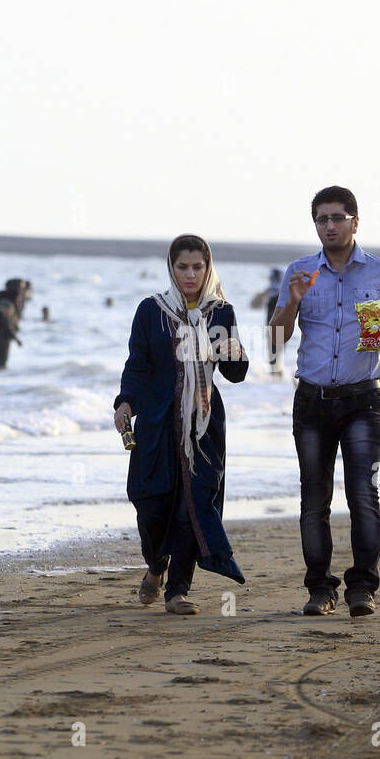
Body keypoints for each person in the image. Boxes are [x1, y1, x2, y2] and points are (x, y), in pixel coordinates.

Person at [269, 186, 380, 618]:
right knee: (314, 499)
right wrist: (291, 301)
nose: (329, 226)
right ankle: (319, 589)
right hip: (311, 400)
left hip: (363, 399)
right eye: (321, 219)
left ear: (355, 221)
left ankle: (363, 587)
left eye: (337, 217)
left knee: (363, 493)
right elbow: (274, 340)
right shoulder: (299, 272)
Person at [113, 234, 249, 615]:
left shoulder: (221, 312)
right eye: (182, 267)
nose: (190, 275)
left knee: (195, 504)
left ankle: (177, 591)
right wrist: (125, 402)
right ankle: (157, 565)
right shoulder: (150, 310)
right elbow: (137, 364)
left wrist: (235, 351)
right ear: (171, 268)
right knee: (150, 503)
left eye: (198, 267)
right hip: (157, 423)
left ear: (208, 268)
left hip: (204, 427)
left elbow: (236, 374)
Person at [0, 279, 30, 369]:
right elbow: (4, 321)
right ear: (16, 288)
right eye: (22, 288)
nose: (25, 290)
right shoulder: (6, 300)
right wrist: (15, 337)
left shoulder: (4, 297)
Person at [251, 267, 286, 376]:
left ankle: (275, 371)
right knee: (279, 348)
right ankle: (277, 371)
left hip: (271, 324)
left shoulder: (270, 291)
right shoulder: (284, 291)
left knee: (272, 348)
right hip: (283, 325)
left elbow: (254, 305)